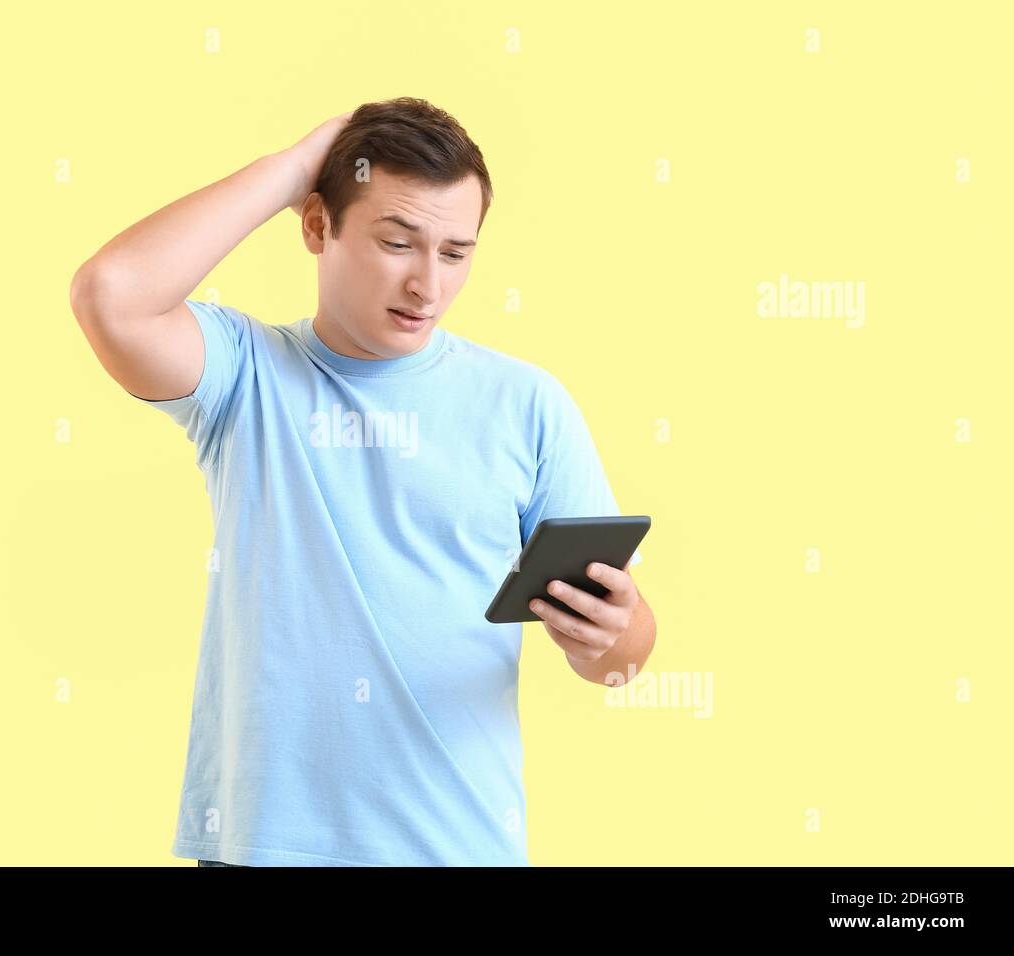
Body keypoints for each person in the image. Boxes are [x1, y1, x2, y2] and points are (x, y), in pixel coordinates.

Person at [70, 97, 657, 867]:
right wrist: (293, 168)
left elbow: (621, 662)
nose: (427, 286)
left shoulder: (526, 403)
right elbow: (109, 294)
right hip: (263, 848)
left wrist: (610, 639)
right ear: (317, 226)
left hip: (457, 847)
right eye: (397, 242)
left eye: (455, 253)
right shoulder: (247, 375)